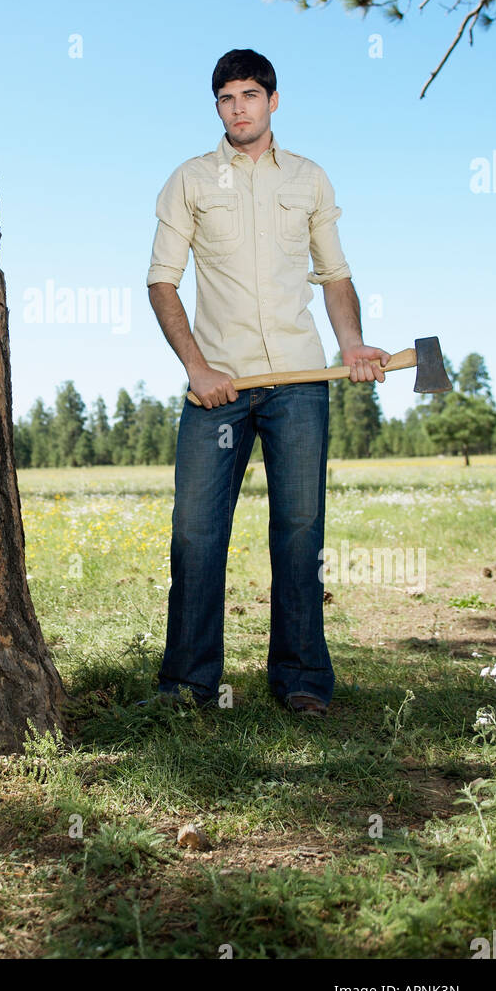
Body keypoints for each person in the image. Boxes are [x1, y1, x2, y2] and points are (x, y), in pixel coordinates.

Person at [146, 47, 388, 717]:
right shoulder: (190, 180)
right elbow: (161, 281)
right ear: (217, 106)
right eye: (226, 97)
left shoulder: (309, 180)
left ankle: (303, 680)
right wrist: (197, 368)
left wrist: (353, 346)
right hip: (216, 389)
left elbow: (335, 275)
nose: (238, 108)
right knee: (196, 533)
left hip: (300, 383)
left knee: (300, 530)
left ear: (272, 101)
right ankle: (189, 685)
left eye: (250, 94)